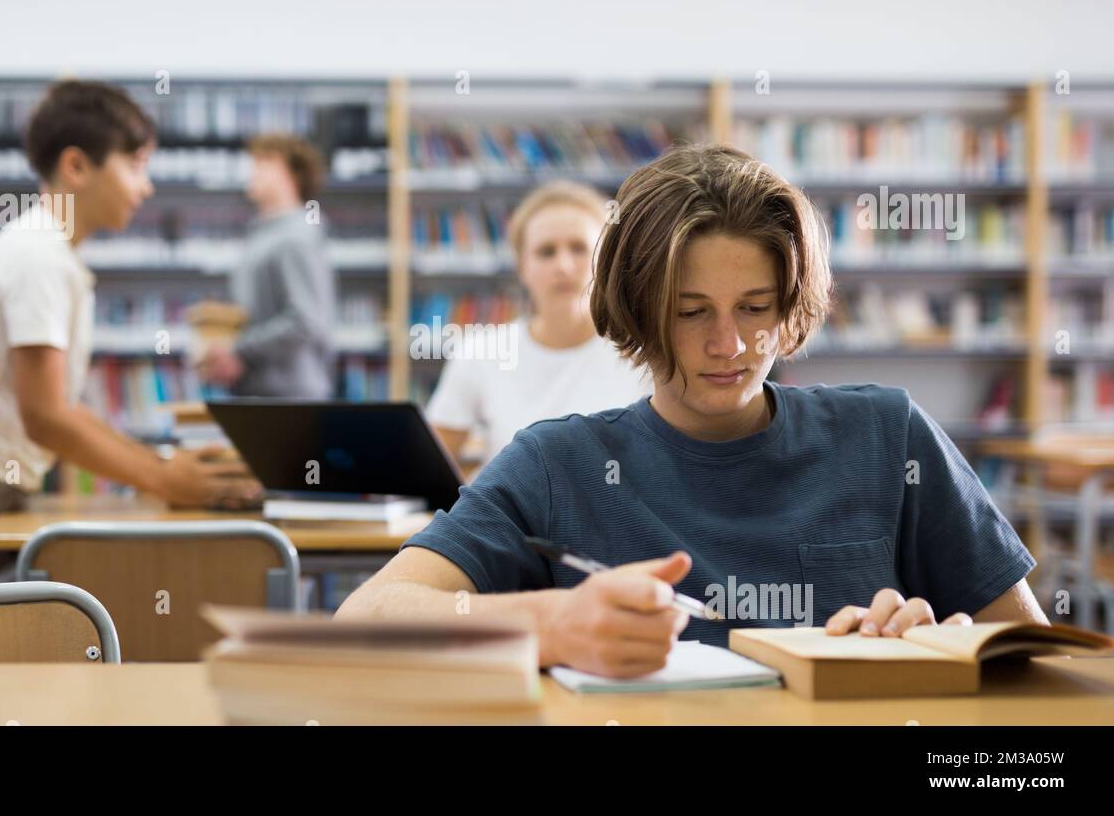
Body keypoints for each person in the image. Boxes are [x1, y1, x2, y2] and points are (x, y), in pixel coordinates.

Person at [335, 143, 1048, 678]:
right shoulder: (558, 464)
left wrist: (946, 648)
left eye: (756, 309)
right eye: (690, 312)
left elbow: (1040, 660)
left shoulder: (888, 437)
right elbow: (365, 620)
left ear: (792, 307)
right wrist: (548, 623)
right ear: (639, 311)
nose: (729, 344)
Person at [0, 80, 252, 587]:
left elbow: (56, 411)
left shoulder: (51, 252)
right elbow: (47, 418)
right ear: (77, 166)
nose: (145, 188)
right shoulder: (40, 257)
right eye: (135, 165)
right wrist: (163, 476)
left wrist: (158, 470)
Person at [426, 181, 650, 468]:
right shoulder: (482, 352)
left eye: (579, 248)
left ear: (605, 261)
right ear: (522, 267)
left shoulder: (645, 354)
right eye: (546, 252)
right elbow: (427, 465)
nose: (564, 266)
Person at [197, 134, 337, 398]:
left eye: (266, 162)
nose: (253, 171)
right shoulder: (261, 235)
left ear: (294, 175)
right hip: (261, 391)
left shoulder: (297, 237)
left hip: (291, 398)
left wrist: (238, 350)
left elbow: (306, 320)